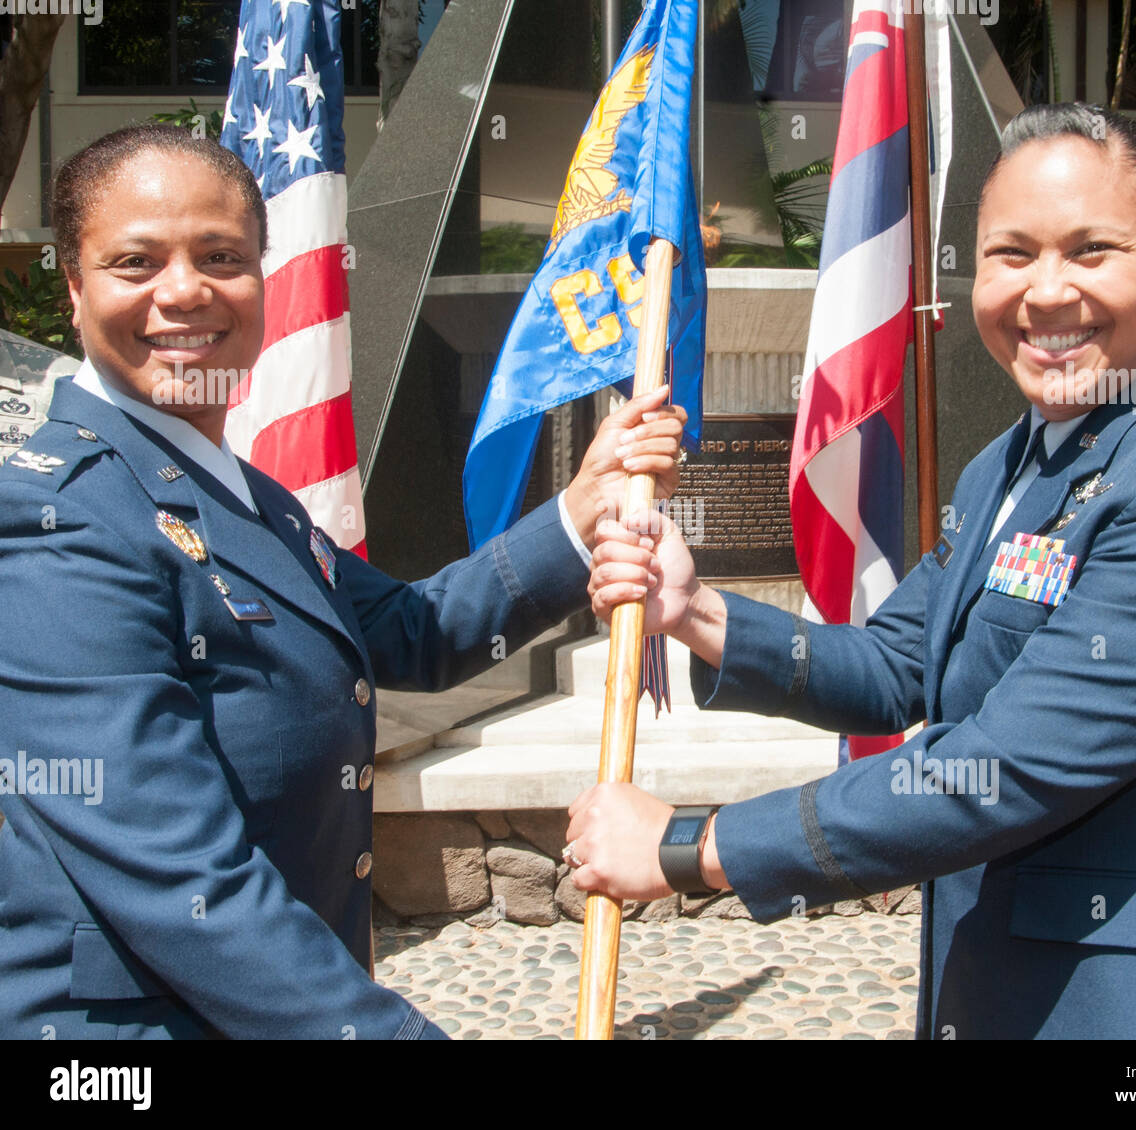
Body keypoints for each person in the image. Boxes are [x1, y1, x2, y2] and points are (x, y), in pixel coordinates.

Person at [569, 104, 1136, 1039]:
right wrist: (697, 609)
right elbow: (897, 668)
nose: (1046, 292)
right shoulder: (1012, 462)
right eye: (1011, 253)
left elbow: (1000, 768)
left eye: (1091, 251)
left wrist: (688, 847)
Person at [0, 125, 685, 1040]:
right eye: (135, 261)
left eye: (221, 256)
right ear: (76, 287)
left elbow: (411, 634)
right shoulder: (60, 522)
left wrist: (584, 505)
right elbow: (178, 878)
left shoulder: (246, 495)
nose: (184, 291)